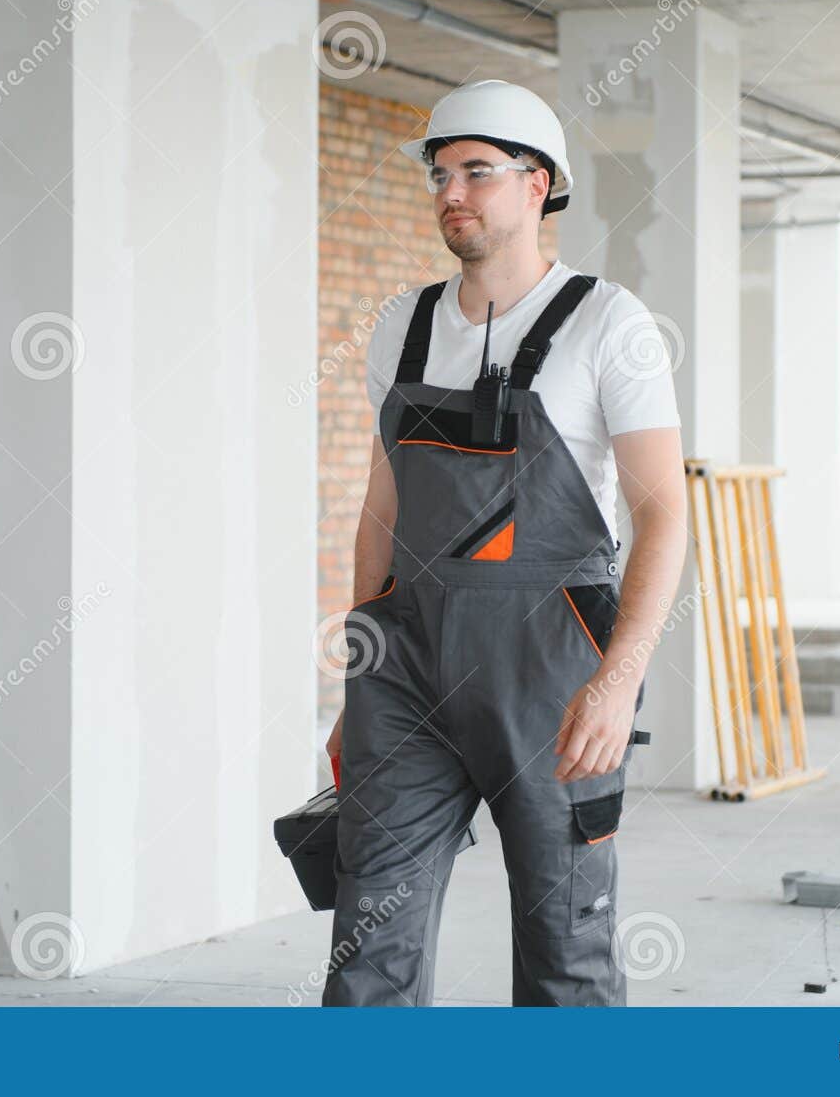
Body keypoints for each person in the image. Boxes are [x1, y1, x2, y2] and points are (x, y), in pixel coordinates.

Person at [322, 79, 687, 1006]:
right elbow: (381, 505)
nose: (453, 192)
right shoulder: (401, 325)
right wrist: (358, 684)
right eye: (441, 174)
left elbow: (666, 516)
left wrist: (616, 678)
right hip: (405, 667)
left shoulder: (610, 324)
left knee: (566, 948)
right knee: (367, 953)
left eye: (478, 172)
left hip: (552, 673)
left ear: (538, 185)